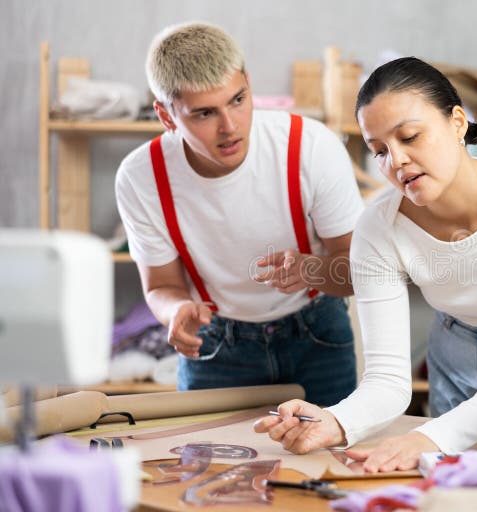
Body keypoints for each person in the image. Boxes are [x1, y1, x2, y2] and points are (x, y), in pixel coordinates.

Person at [253, 56, 477, 472]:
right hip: (456, 352)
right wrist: (336, 421)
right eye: (379, 151)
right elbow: (388, 382)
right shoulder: (378, 227)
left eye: (409, 136)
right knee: (453, 491)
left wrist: (429, 437)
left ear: (458, 122)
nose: (396, 161)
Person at [114, 22, 363, 406]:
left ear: (248, 82)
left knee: (330, 462)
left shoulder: (310, 148)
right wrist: (177, 310)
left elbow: (360, 272)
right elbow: (161, 286)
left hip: (316, 333)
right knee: (206, 464)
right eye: (203, 114)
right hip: (215, 345)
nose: (229, 127)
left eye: (237, 99)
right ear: (166, 116)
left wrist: (312, 269)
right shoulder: (141, 178)